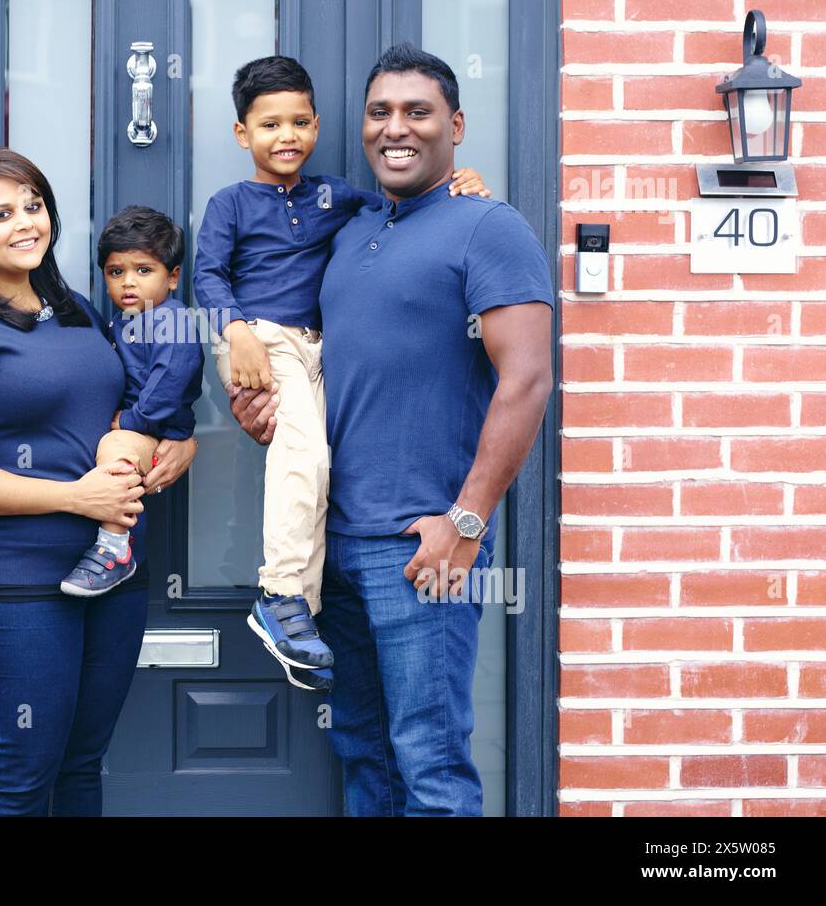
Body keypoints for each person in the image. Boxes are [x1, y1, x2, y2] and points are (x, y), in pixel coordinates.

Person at [228, 43, 554, 816]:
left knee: (431, 766)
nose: (394, 128)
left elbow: (528, 380)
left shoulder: (488, 228)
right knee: (363, 755)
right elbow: (314, 373)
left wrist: (465, 523)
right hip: (332, 546)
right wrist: (259, 413)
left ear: (456, 125)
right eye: (380, 112)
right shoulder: (350, 231)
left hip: (424, 547)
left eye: (418, 111)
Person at [0, 146, 197, 816]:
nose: (25, 223)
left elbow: (140, 399)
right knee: (23, 772)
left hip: (113, 573)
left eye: (33, 205)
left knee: (81, 766)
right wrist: (74, 497)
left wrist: (180, 444)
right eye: (1, 214)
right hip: (14, 579)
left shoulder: (78, 314)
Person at [192, 55, 491, 692]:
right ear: (243, 134)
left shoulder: (335, 196)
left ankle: (303, 610)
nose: (287, 136)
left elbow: (402, 200)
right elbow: (208, 275)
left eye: (300, 122)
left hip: (314, 346)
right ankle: (280, 596)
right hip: (259, 339)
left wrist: (462, 183)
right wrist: (236, 331)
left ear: (319, 125)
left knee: (319, 459)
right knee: (303, 455)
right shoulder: (230, 204)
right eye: (269, 125)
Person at [60, 205, 204, 596]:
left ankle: (114, 549)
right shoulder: (119, 323)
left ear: (172, 277)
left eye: (144, 270)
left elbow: (168, 383)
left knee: (116, 450)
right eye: (115, 272)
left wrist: (131, 422)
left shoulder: (172, 319)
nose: (128, 282)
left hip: (155, 430)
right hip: (142, 423)